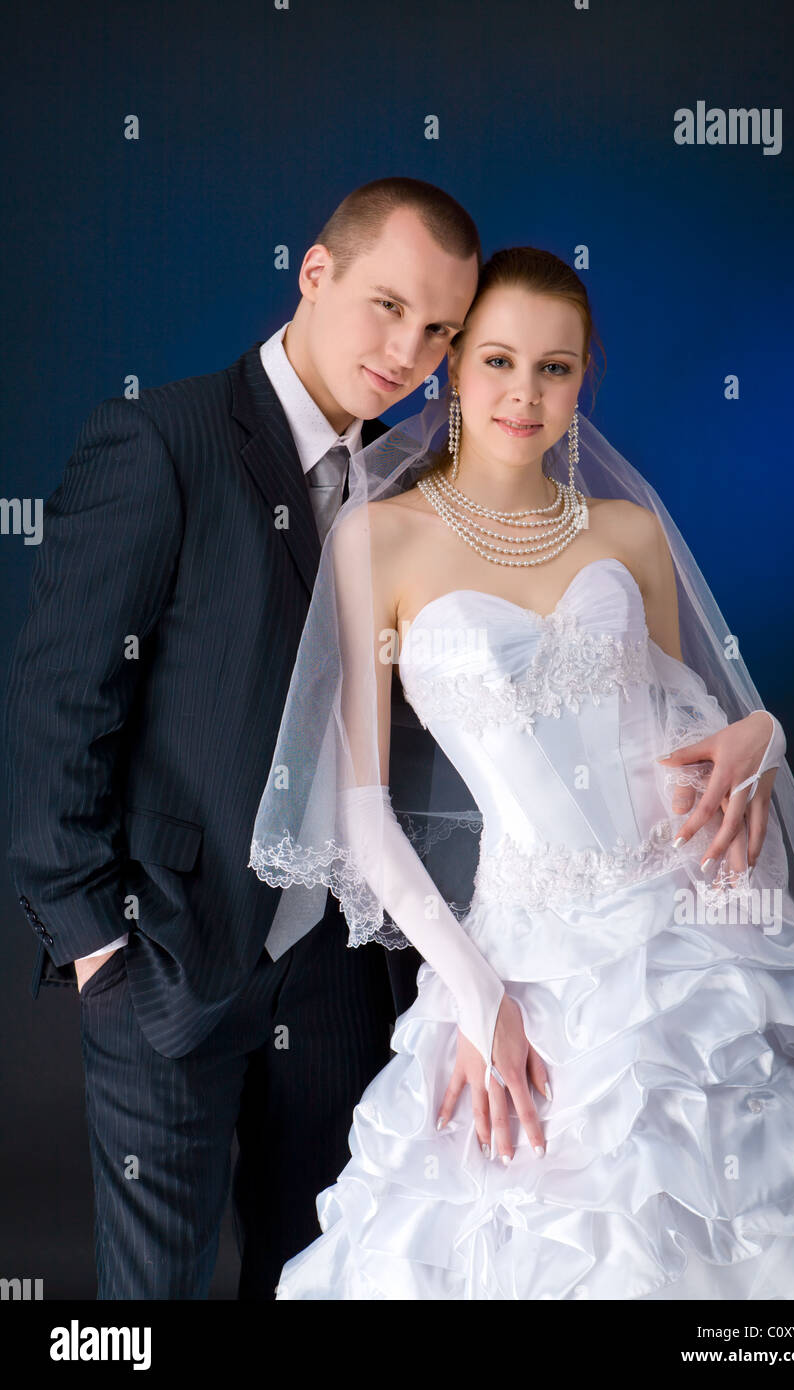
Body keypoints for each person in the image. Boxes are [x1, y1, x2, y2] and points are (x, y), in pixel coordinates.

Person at [251, 246, 794, 1300]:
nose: (522, 394)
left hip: (685, 940)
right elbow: (360, 815)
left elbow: (691, 727)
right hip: (518, 952)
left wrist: (762, 731)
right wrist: (479, 995)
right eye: (495, 360)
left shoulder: (624, 532)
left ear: (587, 376)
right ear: (449, 369)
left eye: (554, 367)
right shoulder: (377, 539)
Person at [4, 176, 481, 1298]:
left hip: (337, 977)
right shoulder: (160, 442)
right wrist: (97, 948)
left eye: (440, 332)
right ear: (313, 275)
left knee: (316, 1276)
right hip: (169, 951)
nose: (407, 350)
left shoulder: (409, 486)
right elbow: (56, 709)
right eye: (385, 305)